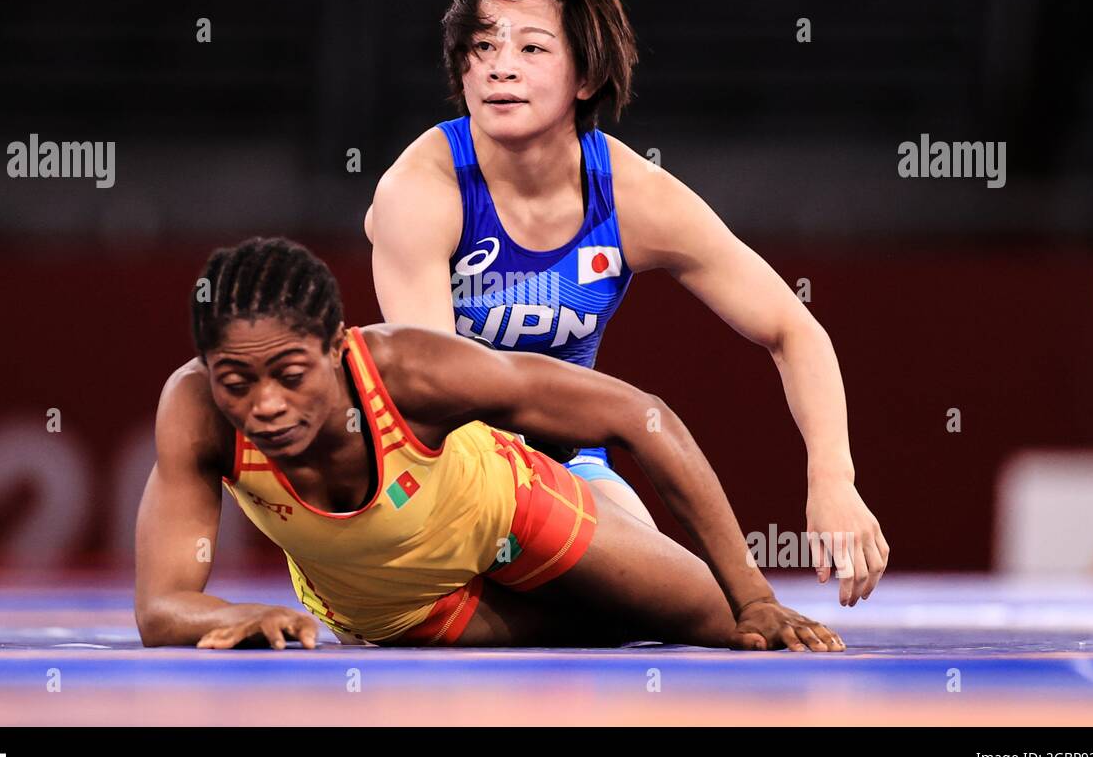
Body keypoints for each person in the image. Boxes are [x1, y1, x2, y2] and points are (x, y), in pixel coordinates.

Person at [365, 0, 888, 606]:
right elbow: (436, 393)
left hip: (569, 461)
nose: (499, 68)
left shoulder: (636, 197)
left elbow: (794, 329)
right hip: (438, 463)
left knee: (695, 605)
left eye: (530, 47)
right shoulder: (420, 191)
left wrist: (834, 479)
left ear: (585, 77)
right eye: (482, 47)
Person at [134, 236, 845, 651]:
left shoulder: (412, 370)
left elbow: (642, 416)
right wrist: (240, 615)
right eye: (235, 382)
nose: (264, 406)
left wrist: (752, 594)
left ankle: (612, 507)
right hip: (399, 610)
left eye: (291, 375)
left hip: (516, 511)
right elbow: (161, 607)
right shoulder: (195, 409)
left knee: (739, 633)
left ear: (336, 346)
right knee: (607, 635)